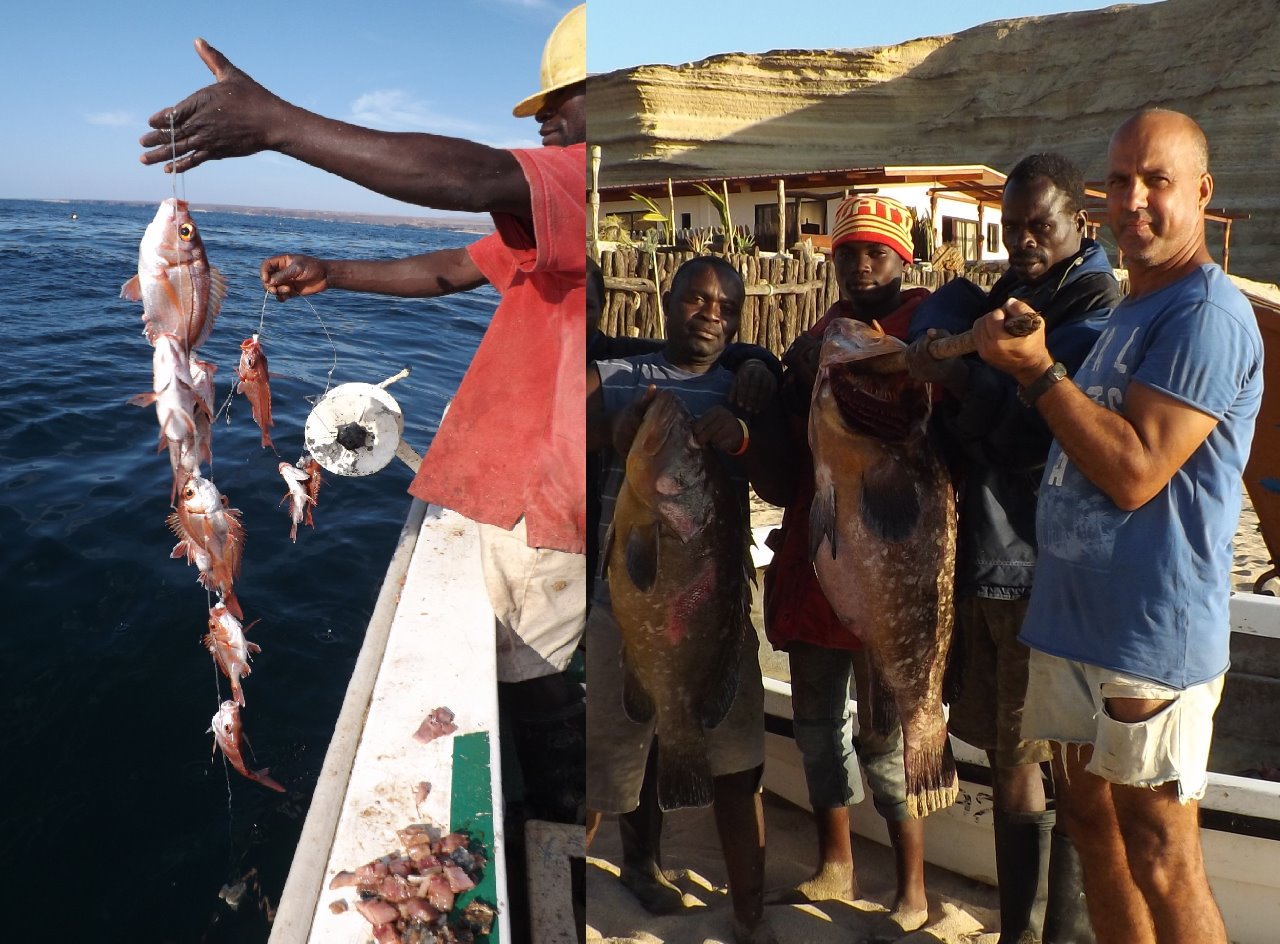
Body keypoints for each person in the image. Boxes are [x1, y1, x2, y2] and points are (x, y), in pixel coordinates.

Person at [139, 7, 588, 936]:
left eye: (564, 99)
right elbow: (455, 267)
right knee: (523, 679)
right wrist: (333, 273)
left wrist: (279, 124)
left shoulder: (598, 180)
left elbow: (472, 176)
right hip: (510, 490)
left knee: (541, 693)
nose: (546, 117)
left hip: (551, 505)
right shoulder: (555, 217)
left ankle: (559, 849)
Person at [972, 109, 1262, 944]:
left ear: (1202, 193)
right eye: (1121, 181)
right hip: (1073, 625)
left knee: (1162, 854)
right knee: (1093, 831)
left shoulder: (1204, 315)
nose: (1133, 199)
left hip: (1147, 636)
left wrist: (1038, 374)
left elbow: (1135, 472)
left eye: (1156, 181)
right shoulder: (1134, 307)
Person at [905, 153, 1119, 943]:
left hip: (1052, 574)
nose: (1022, 241)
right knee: (1010, 758)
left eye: (1040, 226)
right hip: (994, 563)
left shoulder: (1092, 308)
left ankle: (1060, 934)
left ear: (1079, 224)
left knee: (1067, 770)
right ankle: (1019, 933)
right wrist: (946, 343)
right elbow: (945, 311)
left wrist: (966, 375)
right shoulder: (1008, 299)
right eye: (1011, 227)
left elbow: (1039, 437)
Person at [586, 256, 787, 944]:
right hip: (620, 611)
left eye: (726, 307)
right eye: (696, 299)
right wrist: (612, 432)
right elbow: (560, 420)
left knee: (737, 763)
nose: (710, 314)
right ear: (666, 302)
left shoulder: (747, 387)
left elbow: (784, 479)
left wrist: (747, 433)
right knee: (605, 768)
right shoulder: (618, 376)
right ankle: (574, 889)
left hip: (716, 613)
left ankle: (750, 913)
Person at [763, 195, 934, 941]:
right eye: (848, 253)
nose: (862, 265)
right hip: (819, 551)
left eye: (877, 253)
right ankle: (836, 862)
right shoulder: (819, 338)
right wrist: (781, 381)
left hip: (888, 555)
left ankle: (913, 887)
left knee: (888, 732)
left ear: (903, 260)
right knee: (814, 722)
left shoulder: (925, 333)